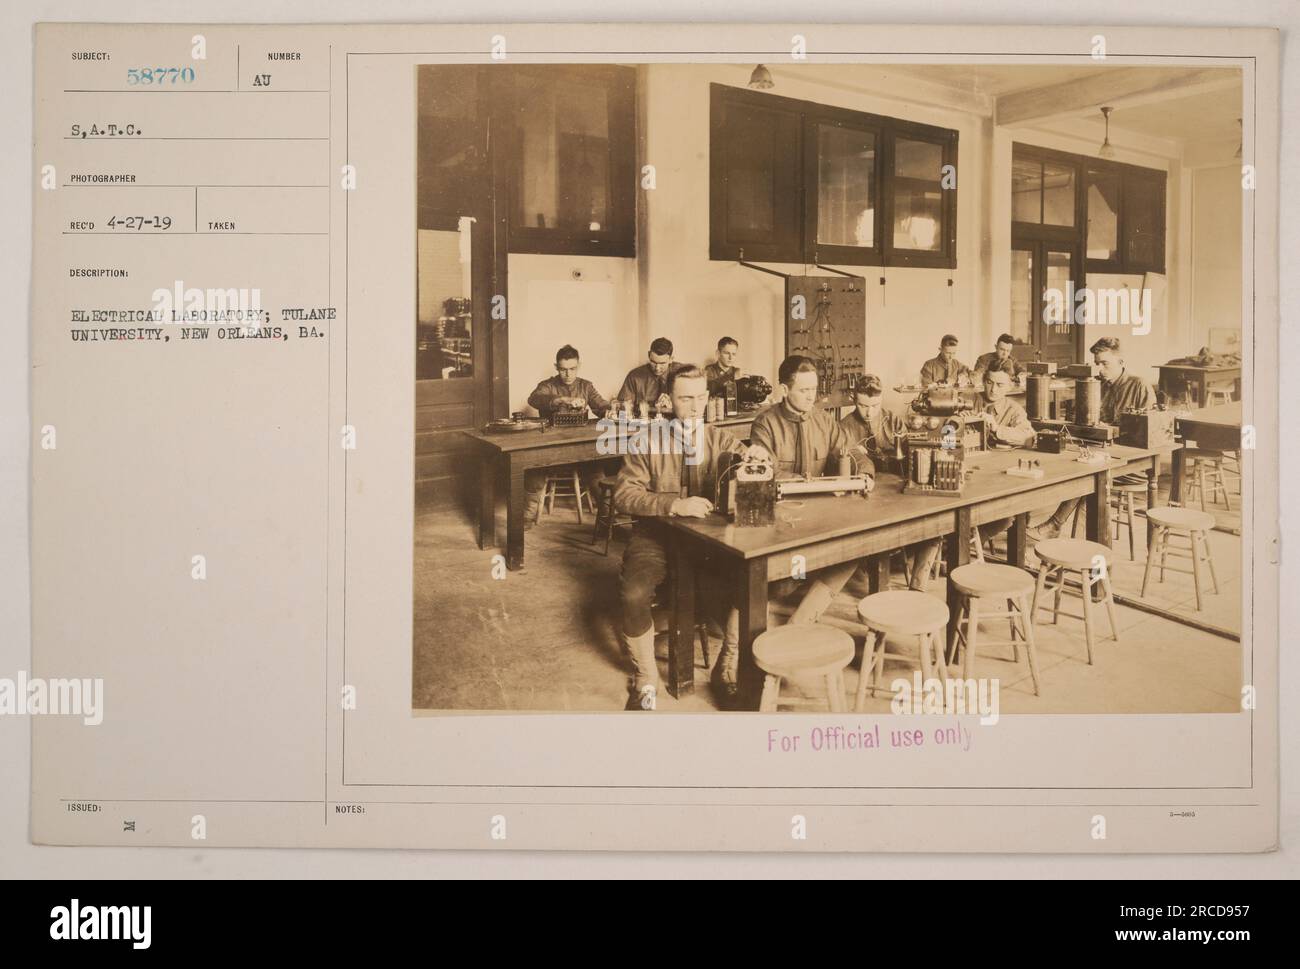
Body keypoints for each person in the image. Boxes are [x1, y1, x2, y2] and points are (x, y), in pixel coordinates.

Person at [612, 366, 771, 710]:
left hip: (706, 542)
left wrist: (757, 457)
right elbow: (623, 496)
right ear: (669, 400)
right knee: (634, 593)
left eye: (702, 397)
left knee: (751, 585)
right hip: (656, 536)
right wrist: (674, 504)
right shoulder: (646, 440)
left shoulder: (719, 438)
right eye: (686, 398)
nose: (696, 406)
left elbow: (746, 458)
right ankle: (646, 677)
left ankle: (725, 667)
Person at [1028, 336, 1155, 541]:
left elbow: (1148, 433)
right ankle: (1074, 545)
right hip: (1101, 455)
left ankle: (1057, 526)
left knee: (1088, 479)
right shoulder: (1097, 386)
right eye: (1097, 364)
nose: (1100, 370)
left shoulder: (1139, 386)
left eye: (1105, 364)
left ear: (1121, 362)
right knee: (1073, 470)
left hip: (1133, 463)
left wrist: (1113, 430)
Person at [837, 374, 946, 595]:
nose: (869, 412)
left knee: (934, 521)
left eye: (874, 405)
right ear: (853, 399)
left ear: (882, 399)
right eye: (862, 405)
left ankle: (918, 587)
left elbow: (910, 452)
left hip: (898, 490)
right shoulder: (843, 427)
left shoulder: (893, 420)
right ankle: (881, 573)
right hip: (868, 496)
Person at [523, 345, 611, 527]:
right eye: (563, 369)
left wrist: (610, 410)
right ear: (556, 367)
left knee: (597, 471)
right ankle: (527, 517)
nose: (568, 374)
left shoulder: (586, 386)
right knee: (535, 471)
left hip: (580, 445)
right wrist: (561, 399)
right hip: (551, 445)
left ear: (579, 366)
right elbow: (533, 399)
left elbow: (601, 406)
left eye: (572, 369)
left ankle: (607, 519)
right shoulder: (547, 385)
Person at [617, 337, 685, 415]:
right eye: (653, 362)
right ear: (649, 355)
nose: (657, 368)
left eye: (662, 363)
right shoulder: (635, 376)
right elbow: (621, 409)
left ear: (671, 359)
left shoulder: (684, 374)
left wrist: (674, 405)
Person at [979, 369, 1036, 447]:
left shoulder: (1014, 409)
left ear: (1010, 386)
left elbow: (1029, 437)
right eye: (989, 383)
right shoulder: (967, 400)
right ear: (983, 382)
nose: (993, 389)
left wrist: (997, 429)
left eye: (1000, 385)